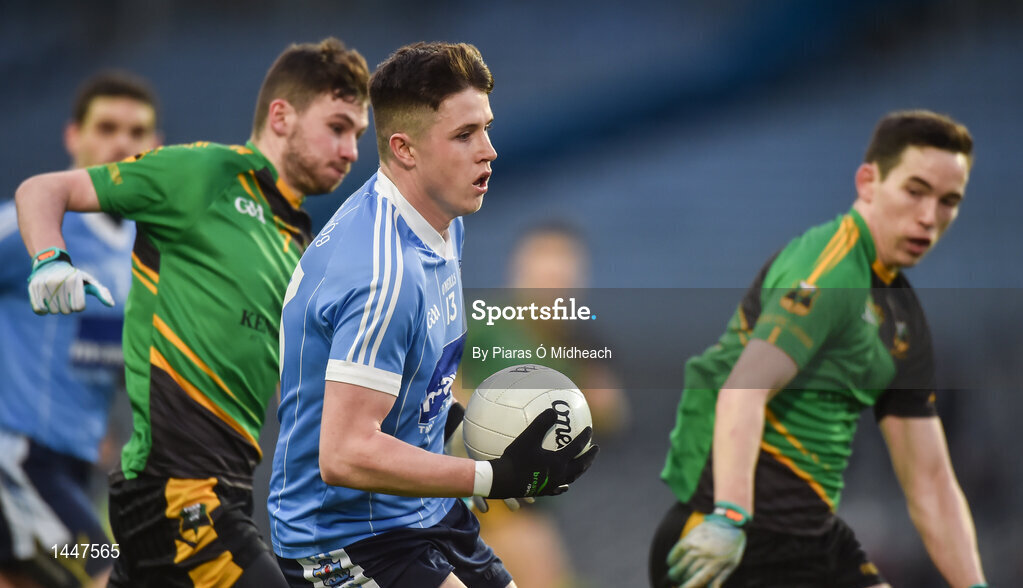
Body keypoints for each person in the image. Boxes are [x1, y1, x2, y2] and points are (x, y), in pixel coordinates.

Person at [13, 38, 370, 587]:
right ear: (281, 116)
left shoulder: (301, 241)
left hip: (223, 490)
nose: (350, 151)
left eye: (358, 136)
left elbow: (313, 390)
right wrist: (49, 259)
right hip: (175, 490)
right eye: (338, 127)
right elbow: (43, 189)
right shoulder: (203, 174)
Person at [268, 42, 599, 588]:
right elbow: (344, 454)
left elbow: (409, 375)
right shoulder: (382, 275)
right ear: (405, 150)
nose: (489, 150)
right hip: (345, 537)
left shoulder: (442, 219)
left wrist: (479, 432)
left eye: (487, 128)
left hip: (420, 512)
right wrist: (489, 474)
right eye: (465, 135)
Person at [649, 110, 988, 588]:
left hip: (809, 541)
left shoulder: (900, 315)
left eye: (948, 201)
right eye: (915, 191)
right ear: (868, 182)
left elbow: (930, 481)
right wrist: (729, 518)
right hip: (735, 540)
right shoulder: (831, 270)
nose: (930, 217)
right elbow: (742, 390)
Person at [0, 70, 160, 588]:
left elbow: (104, 349)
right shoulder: (32, 226)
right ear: (74, 136)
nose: (121, 142)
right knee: (105, 570)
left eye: (137, 133)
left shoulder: (147, 246)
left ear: (155, 147)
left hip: (75, 463)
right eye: (107, 126)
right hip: (19, 459)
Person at [459, 221, 629, 588]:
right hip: (483, 501)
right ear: (519, 269)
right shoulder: (484, 325)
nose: (553, 280)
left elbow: (613, 415)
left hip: (534, 500)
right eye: (544, 267)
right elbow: (441, 390)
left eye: (563, 269)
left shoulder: (577, 346)